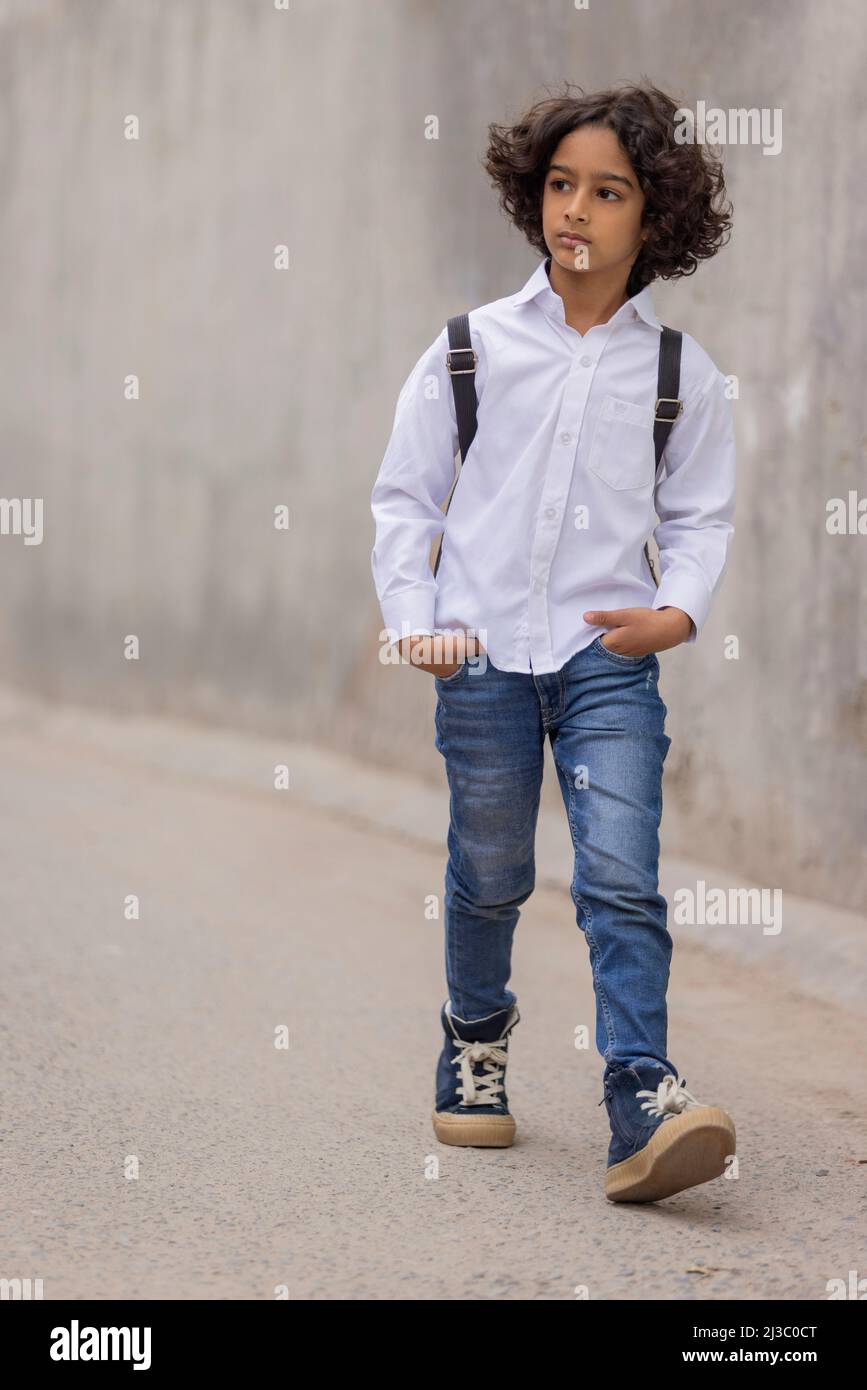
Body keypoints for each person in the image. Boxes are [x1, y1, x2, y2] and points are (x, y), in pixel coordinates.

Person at [369, 82, 737, 1203]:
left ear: (654, 217)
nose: (577, 210)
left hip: (606, 661)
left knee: (621, 875)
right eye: (561, 186)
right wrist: (416, 626)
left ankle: (643, 1096)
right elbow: (406, 499)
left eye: (608, 191)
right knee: (490, 873)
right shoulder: (470, 350)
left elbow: (700, 517)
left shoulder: (681, 375)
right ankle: (475, 1047)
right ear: (536, 200)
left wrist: (676, 612)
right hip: (479, 652)